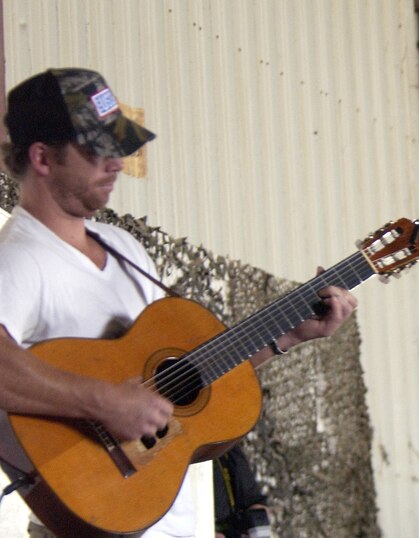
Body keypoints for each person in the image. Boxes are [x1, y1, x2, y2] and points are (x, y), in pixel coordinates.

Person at [0, 68, 357, 537]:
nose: (116, 164)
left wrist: (287, 335)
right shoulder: (19, 258)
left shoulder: (124, 248)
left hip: (170, 518)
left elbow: (184, 380)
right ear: (43, 157)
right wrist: (104, 403)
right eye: (96, 151)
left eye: (118, 149)